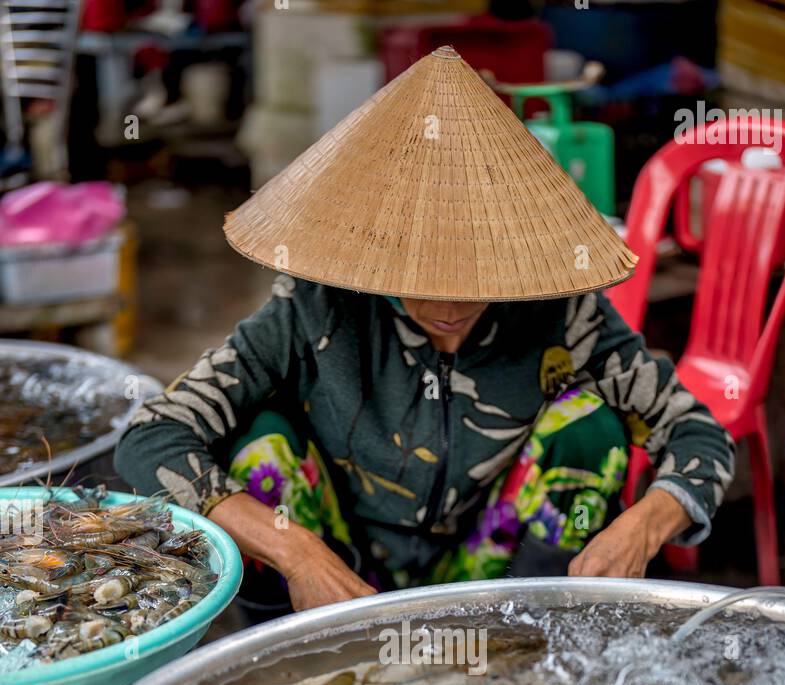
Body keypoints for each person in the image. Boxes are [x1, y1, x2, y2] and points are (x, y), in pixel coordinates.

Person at [115, 46, 734, 615]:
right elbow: (152, 435)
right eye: (424, 274)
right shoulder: (314, 309)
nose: (449, 304)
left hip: (488, 567)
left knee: (592, 430)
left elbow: (699, 433)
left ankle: (536, 629)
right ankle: (289, 644)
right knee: (256, 439)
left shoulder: (561, 316)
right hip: (338, 566)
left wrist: (644, 525)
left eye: (476, 276)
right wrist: (300, 554)